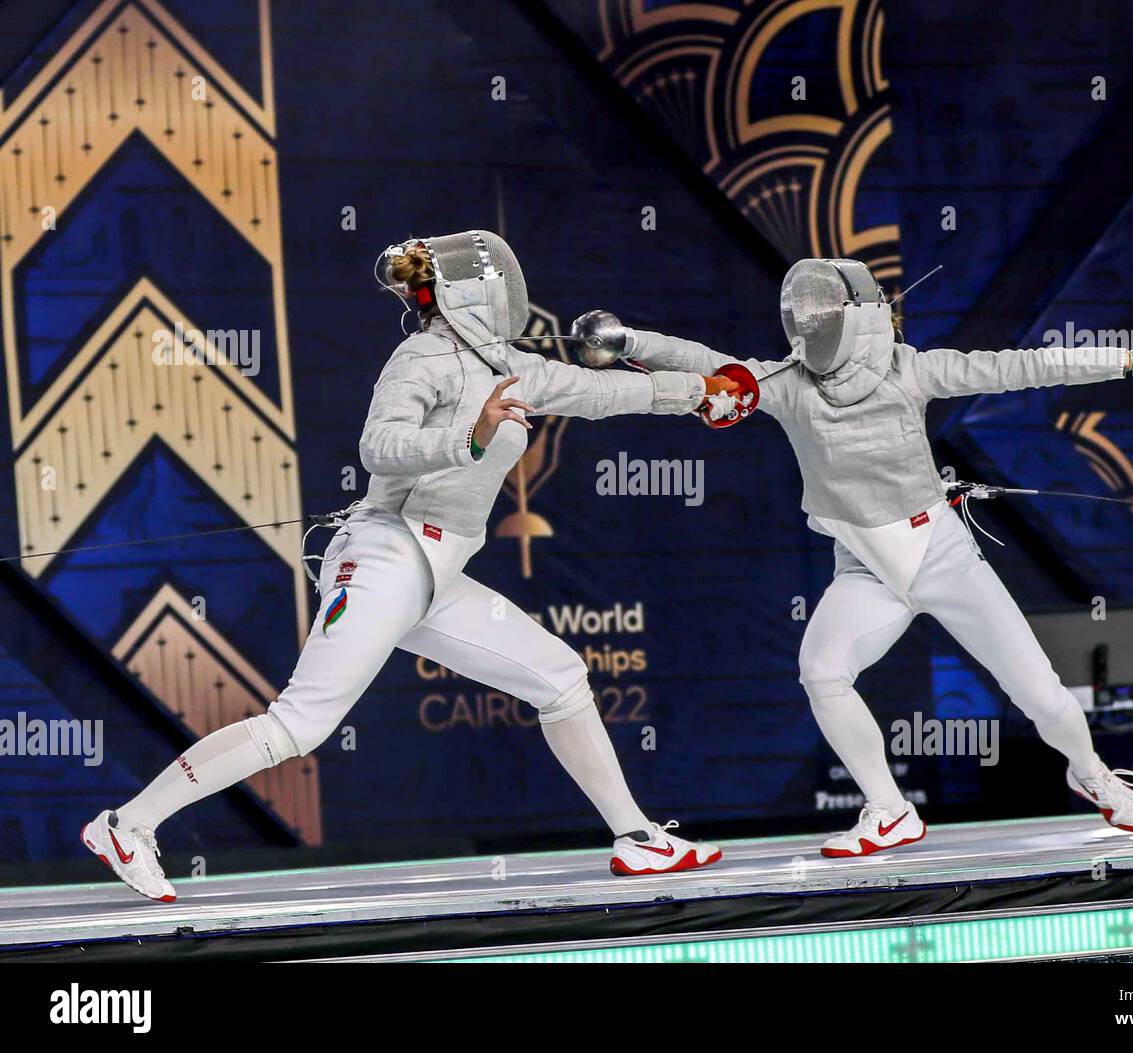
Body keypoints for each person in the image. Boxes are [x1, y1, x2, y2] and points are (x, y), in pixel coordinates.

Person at [82, 231, 739, 901]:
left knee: (562, 678)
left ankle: (635, 839)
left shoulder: (510, 365)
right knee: (299, 724)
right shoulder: (420, 355)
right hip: (384, 557)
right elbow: (380, 445)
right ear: (473, 290)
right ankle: (126, 824)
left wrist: (700, 391)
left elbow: (599, 393)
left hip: (433, 575)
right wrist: (470, 434)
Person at [572, 258, 1133, 857]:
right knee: (824, 672)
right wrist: (629, 340)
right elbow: (705, 363)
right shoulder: (788, 384)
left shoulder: (912, 371)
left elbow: (1024, 366)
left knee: (1041, 695)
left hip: (942, 557)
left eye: (823, 314)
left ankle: (1090, 771)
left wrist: (1127, 359)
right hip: (865, 567)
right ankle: (890, 810)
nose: (808, 327)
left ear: (857, 320)